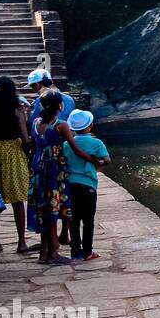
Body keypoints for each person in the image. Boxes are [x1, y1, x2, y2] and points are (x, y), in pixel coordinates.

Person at [28, 91, 99, 265]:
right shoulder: (61, 125)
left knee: (43, 208)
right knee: (52, 208)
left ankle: (44, 253)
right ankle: (53, 252)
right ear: (60, 106)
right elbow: (75, 148)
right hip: (54, 170)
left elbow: (32, 143)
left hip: (38, 167)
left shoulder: (36, 123)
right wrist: (94, 161)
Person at [63, 110, 109, 262]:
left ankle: (75, 251)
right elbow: (106, 160)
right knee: (88, 220)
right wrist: (98, 162)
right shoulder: (96, 143)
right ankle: (88, 251)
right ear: (90, 127)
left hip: (70, 185)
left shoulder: (66, 144)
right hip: (88, 185)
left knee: (74, 220)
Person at [0, 77, 31, 255]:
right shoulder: (17, 110)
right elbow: (25, 139)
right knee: (18, 200)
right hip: (13, 151)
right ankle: (22, 242)